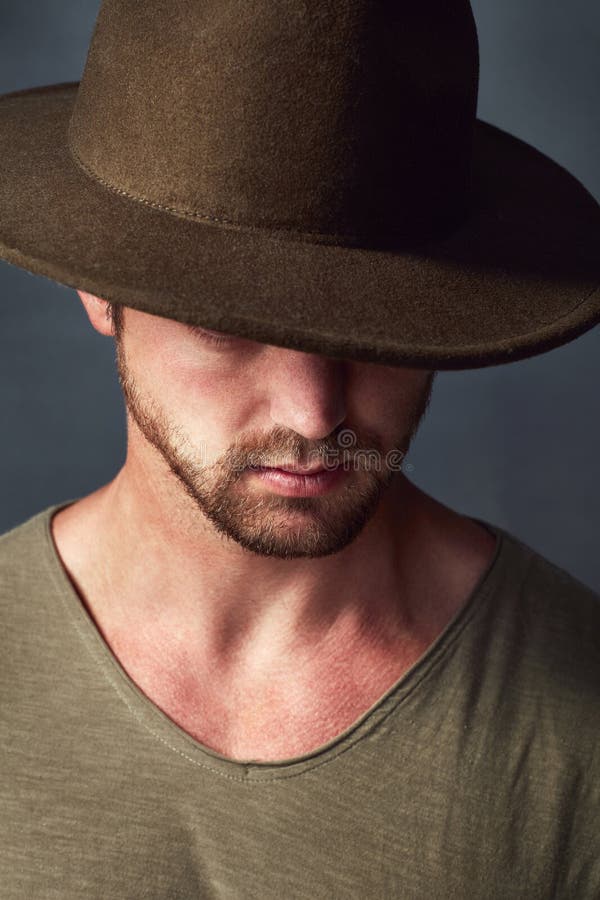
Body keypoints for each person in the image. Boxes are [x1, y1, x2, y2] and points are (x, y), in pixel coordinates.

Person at [1, 1, 599, 897]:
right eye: (229, 325)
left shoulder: (578, 724)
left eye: (375, 326)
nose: (315, 416)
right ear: (99, 288)